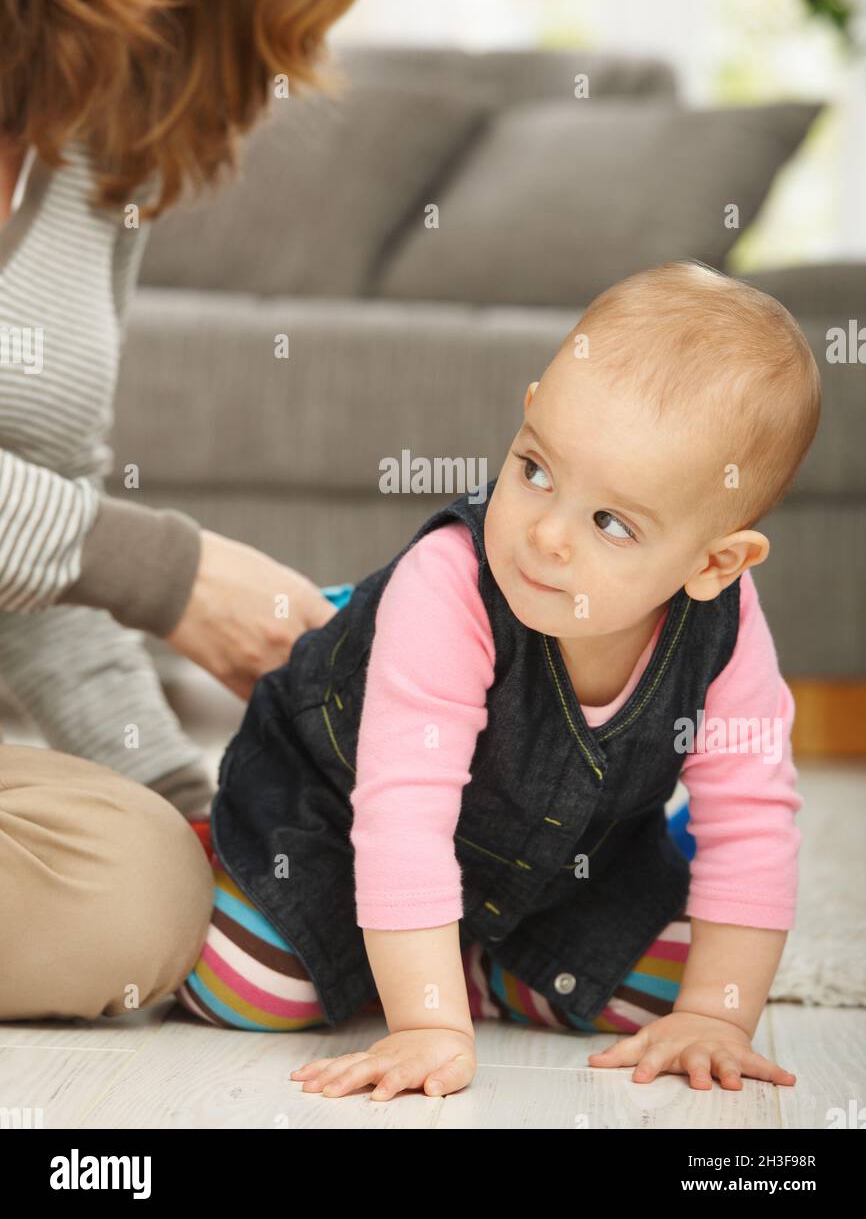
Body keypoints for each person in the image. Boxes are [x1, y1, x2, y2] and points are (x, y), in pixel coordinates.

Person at [177, 261, 819, 1100]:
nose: (547, 534)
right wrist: (429, 1028)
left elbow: (754, 815)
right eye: (536, 470)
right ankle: (394, 953)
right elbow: (403, 812)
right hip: (340, 825)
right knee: (241, 987)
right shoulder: (448, 584)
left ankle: (472, 965)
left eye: (611, 523)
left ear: (713, 562)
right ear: (525, 419)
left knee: (677, 988)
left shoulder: (726, 624)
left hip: (559, 871)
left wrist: (715, 1017)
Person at [0, 0, 407, 1021]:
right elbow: (87, 551)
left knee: (137, 891)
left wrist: (207, 829)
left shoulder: (86, 150)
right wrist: (170, 573)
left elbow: (39, 582)